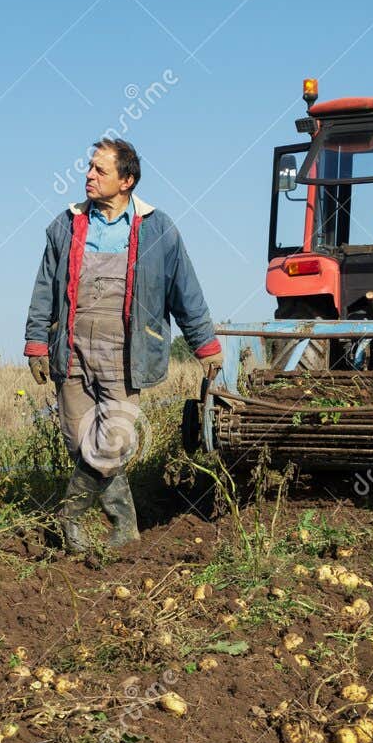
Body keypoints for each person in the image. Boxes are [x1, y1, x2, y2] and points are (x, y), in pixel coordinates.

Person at [23, 138, 223, 551]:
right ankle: (124, 529)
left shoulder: (158, 229)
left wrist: (205, 344)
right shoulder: (66, 225)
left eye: (100, 170)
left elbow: (185, 291)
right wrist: (36, 342)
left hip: (125, 352)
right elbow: (45, 287)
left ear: (127, 180)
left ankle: (70, 520)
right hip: (72, 347)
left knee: (111, 442)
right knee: (79, 441)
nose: (89, 176)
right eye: (89, 168)